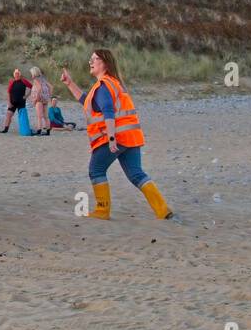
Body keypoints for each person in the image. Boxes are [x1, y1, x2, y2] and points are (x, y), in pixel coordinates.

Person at [60, 48, 172, 220]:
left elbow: (108, 112)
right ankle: (163, 210)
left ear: (104, 63)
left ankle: (102, 211)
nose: (90, 61)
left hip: (115, 137)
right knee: (136, 174)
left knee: (96, 170)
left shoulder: (104, 85)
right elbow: (86, 101)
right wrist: (69, 83)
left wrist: (111, 139)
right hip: (131, 137)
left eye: (94, 59)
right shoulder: (113, 83)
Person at [0, 68, 31, 133]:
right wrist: (9, 102)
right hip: (12, 101)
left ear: (20, 74)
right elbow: (8, 92)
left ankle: (23, 129)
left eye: (18, 73)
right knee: (8, 114)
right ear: (14, 74)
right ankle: (5, 129)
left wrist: (27, 96)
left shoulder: (24, 81)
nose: (17, 75)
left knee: (21, 116)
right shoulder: (12, 82)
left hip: (21, 102)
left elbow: (32, 87)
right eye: (15, 73)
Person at [28, 66, 52, 135]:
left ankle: (39, 131)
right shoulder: (43, 79)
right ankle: (48, 132)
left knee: (39, 116)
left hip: (39, 100)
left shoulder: (36, 79)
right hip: (45, 99)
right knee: (46, 116)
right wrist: (48, 96)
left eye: (31, 73)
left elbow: (39, 88)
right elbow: (51, 87)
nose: (31, 74)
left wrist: (36, 98)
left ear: (34, 73)